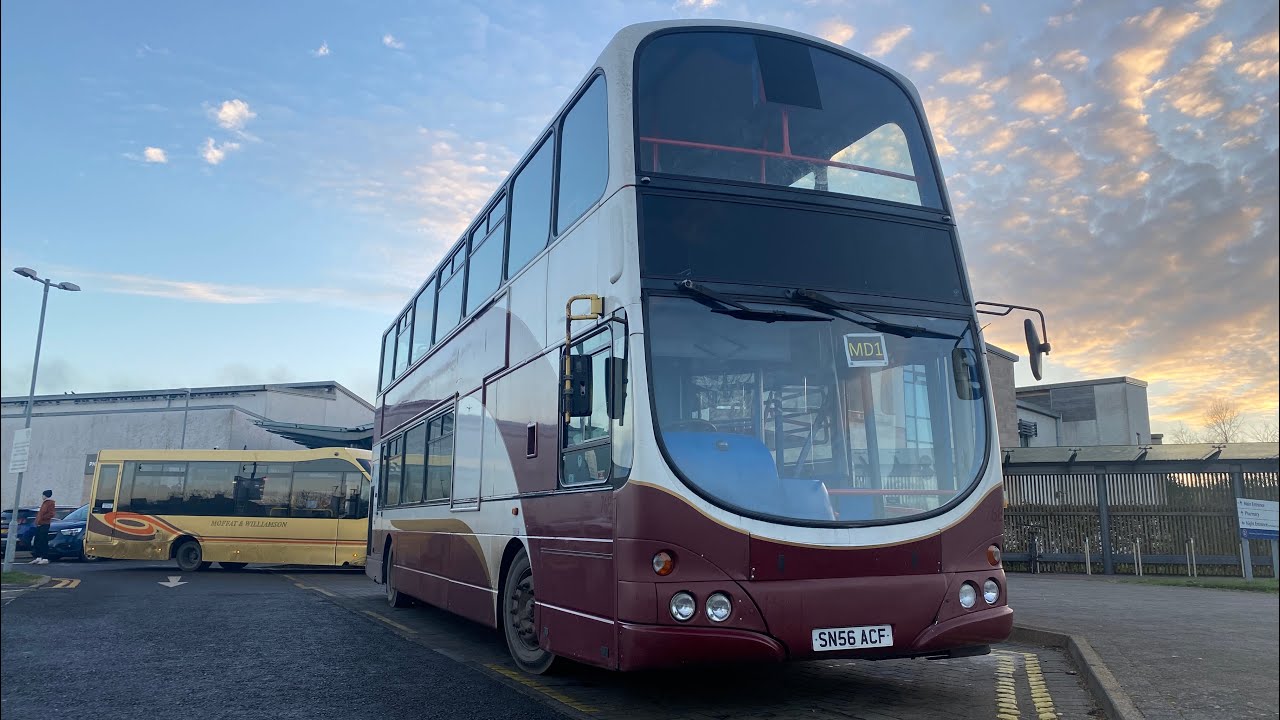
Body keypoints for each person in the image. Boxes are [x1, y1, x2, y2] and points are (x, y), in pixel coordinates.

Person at [29, 489, 56, 565]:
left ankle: (45, 558)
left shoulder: (50, 503)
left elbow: (51, 514)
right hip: (40, 524)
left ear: (45, 495)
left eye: (43, 495)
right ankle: (38, 557)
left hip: (45, 524)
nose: (42, 496)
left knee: (43, 541)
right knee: (37, 541)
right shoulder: (44, 503)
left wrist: (42, 518)